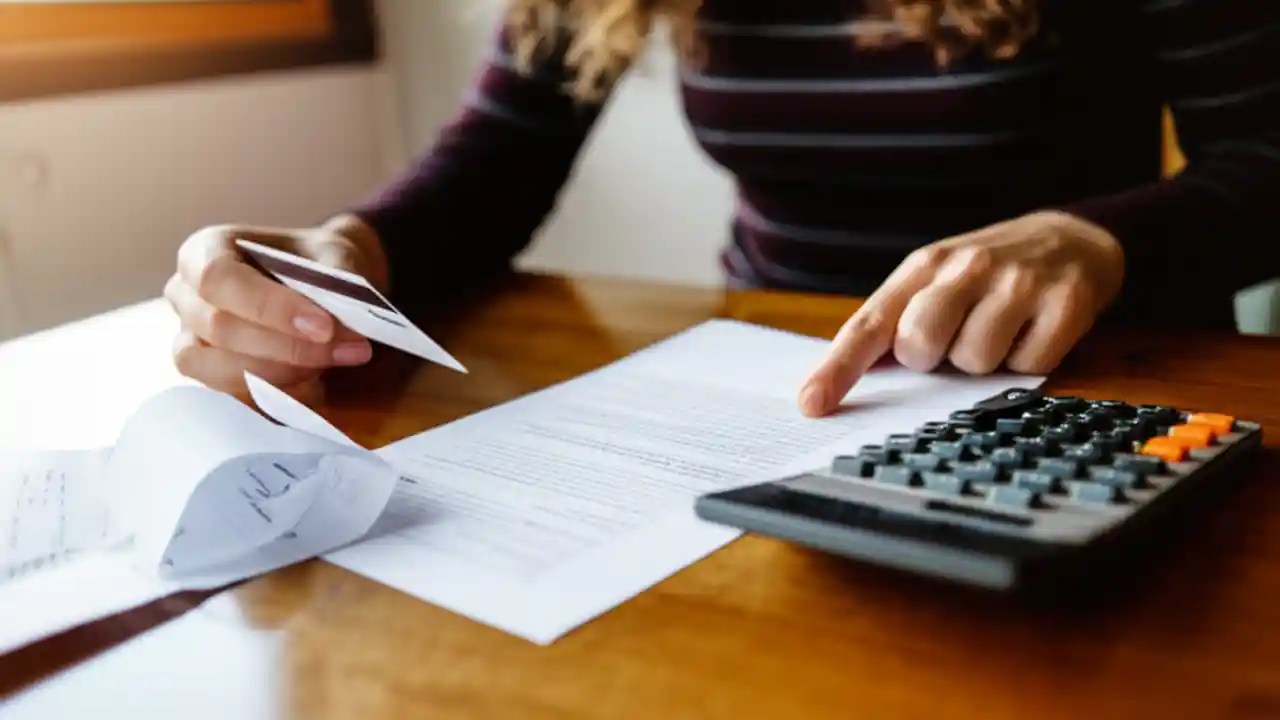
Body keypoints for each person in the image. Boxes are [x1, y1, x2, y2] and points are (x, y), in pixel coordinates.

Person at [165, 0, 1279, 415]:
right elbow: (499, 155)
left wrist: (1096, 236)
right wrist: (345, 251)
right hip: (769, 398)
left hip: (1104, 387)